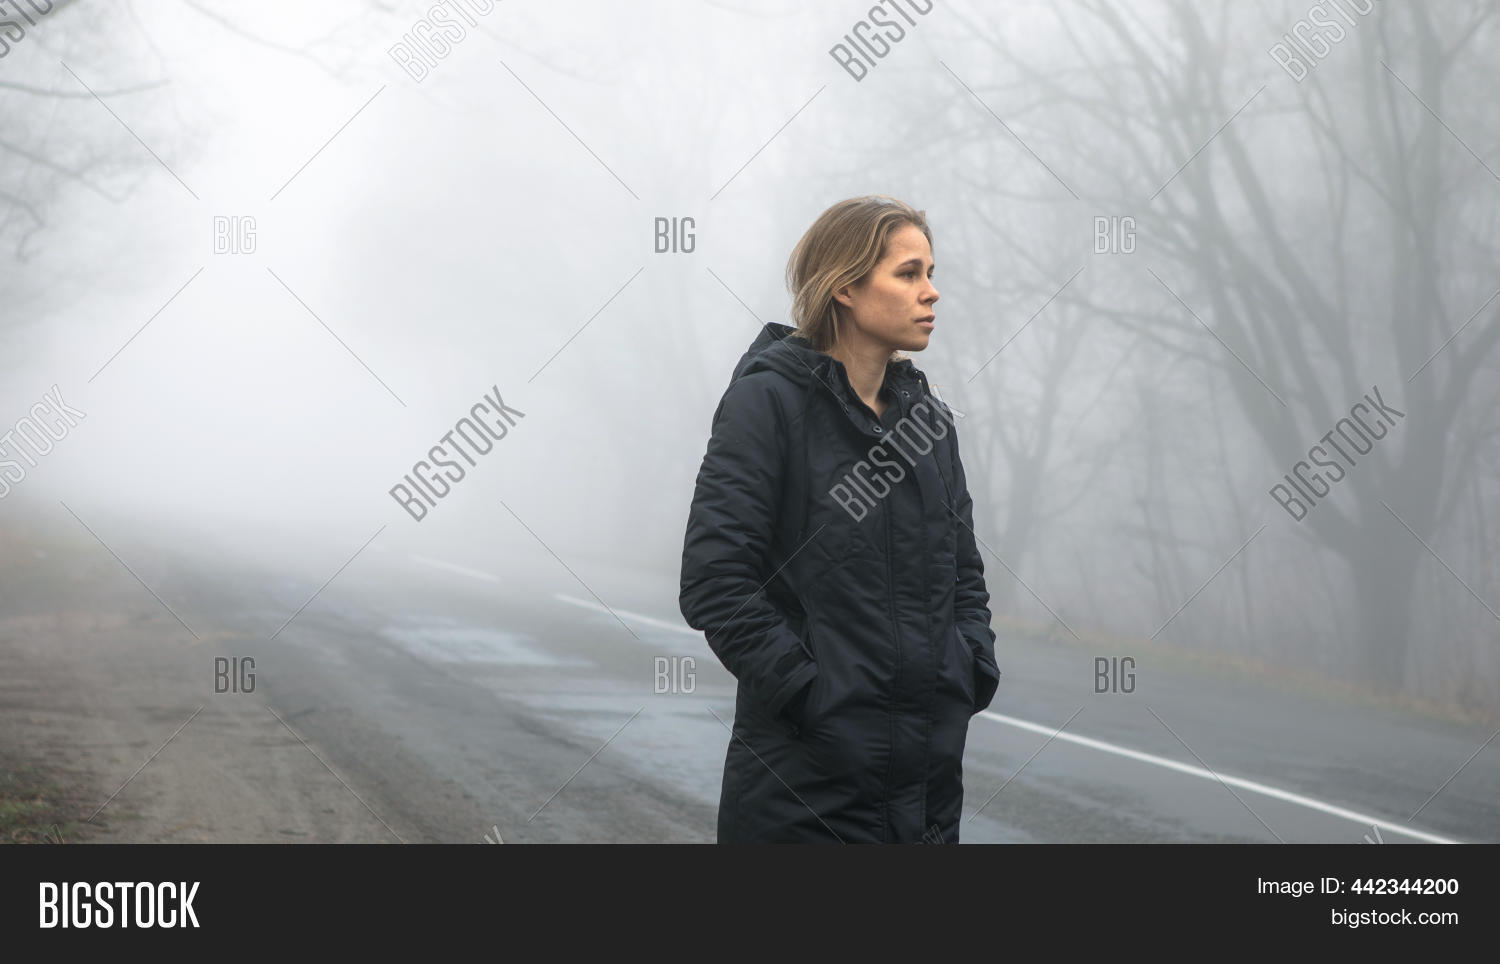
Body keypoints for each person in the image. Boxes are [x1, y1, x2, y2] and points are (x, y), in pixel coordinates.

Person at [678, 195, 1001, 843]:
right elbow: (715, 581)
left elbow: (964, 573)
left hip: (926, 796)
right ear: (845, 287)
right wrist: (811, 697)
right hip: (802, 795)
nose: (931, 292)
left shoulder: (928, 424)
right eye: (908, 273)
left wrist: (969, 668)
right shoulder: (767, 403)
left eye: (930, 272)